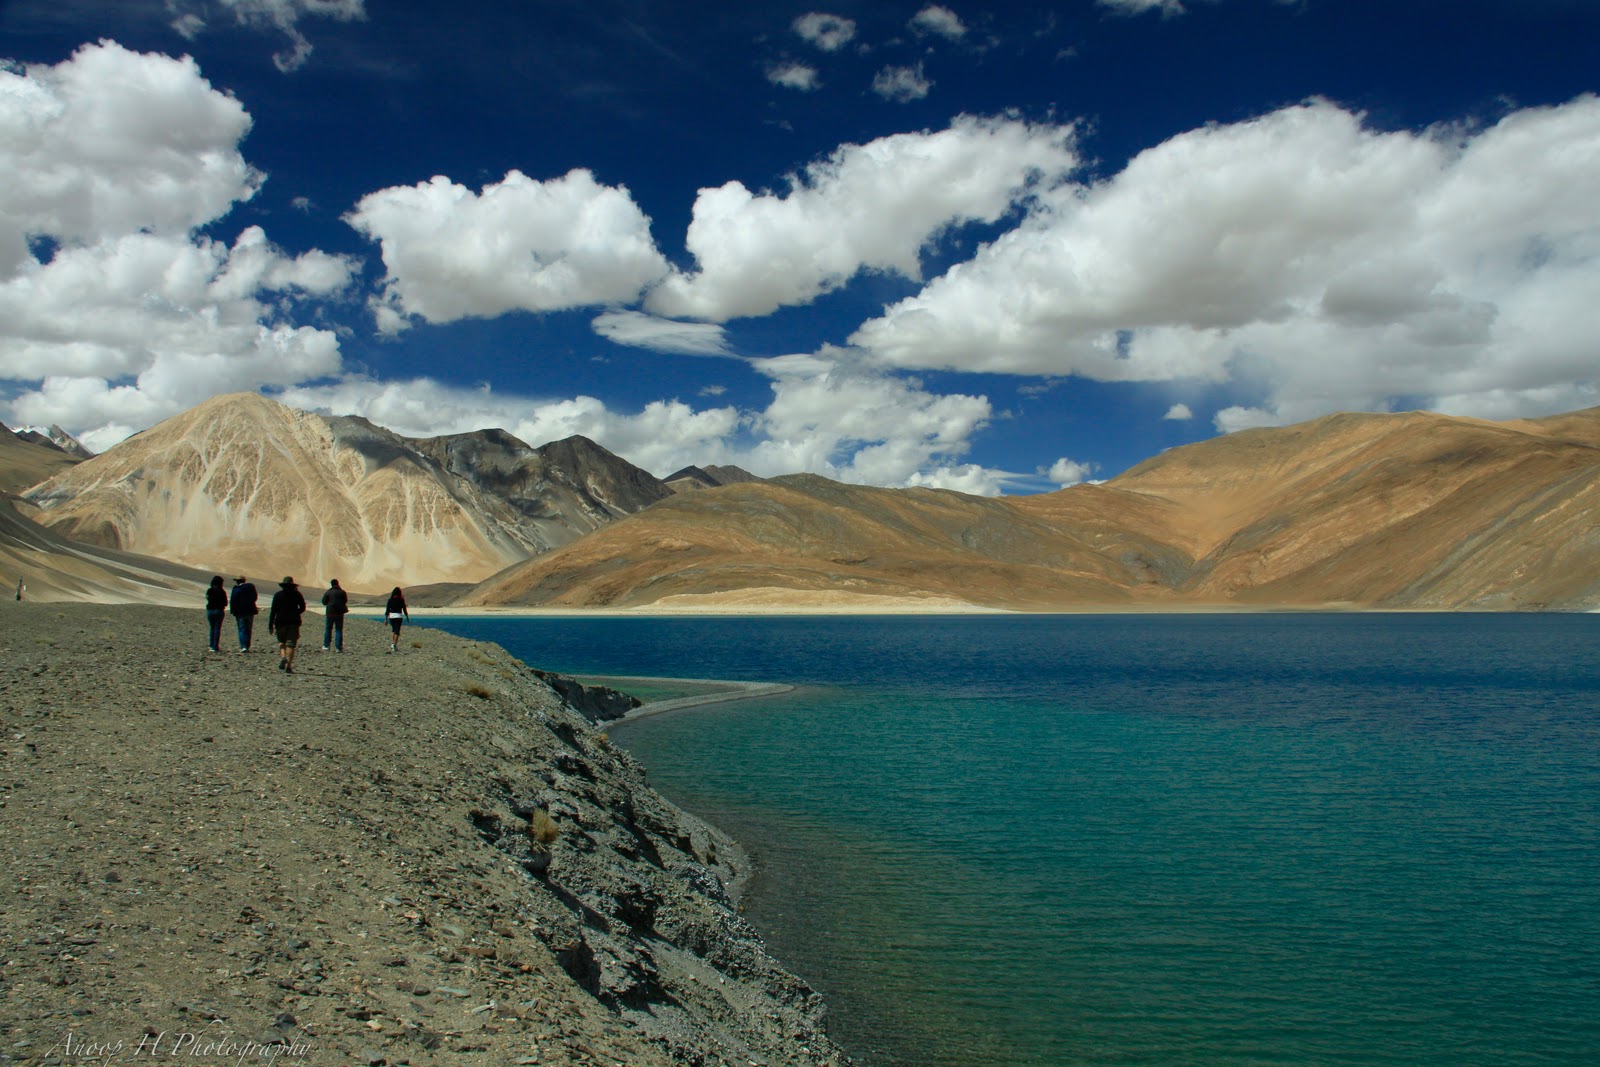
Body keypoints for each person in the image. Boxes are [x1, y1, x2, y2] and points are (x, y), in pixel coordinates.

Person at [267, 576, 307, 674]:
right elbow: (302, 607)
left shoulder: (277, 595)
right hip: (294, 622)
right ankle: (288, 666)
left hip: (280, 622)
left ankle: (283, 657)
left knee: (281, 642)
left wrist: (270, 625)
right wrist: (296, 613)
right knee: (291, 645)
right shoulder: (297, 594)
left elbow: (273, 611)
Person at [229, 576, 258, 652]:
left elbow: (233, 600)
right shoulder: (251, 588)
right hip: (250, 611)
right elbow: (255, 597)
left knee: (242, 629)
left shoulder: (237, 589)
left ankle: (243, 646)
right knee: (248, 628)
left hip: (240, 612)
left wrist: (233, 610)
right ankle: (247, 646)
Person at [320, 578, 349, 652]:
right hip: (339, 613)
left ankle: (326, 645)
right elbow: (345, 600)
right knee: (339, 629)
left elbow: (324, 602)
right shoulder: (342, 592)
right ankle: (338, 647)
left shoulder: (328, 592)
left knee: (328, 629)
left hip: (330, 613)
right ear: (338, 583)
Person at [204, 575, 227, 653]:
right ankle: (215, 646)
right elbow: (226, 603)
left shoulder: (210, 591)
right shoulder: (222, 592)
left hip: (210, 611)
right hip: (219, 611)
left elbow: (208, 599)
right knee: (217, 628)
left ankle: (211, 645)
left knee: (212, 628)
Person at [384, 586, 409, 653]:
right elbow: (404, 608)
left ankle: (394, 645)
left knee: (395, 631)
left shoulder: (390, 600)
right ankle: (393, 645)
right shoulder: (401, 599)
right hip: (398, 617)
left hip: (391, 617)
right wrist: (407, 616)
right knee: (397, 632)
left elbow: (387, 610)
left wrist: (386, 619)